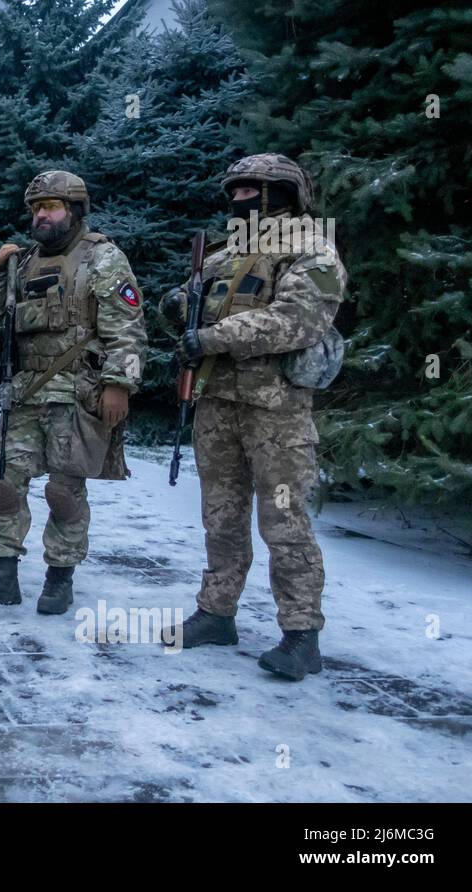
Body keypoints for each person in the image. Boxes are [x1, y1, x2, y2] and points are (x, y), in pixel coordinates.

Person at [161, 153, 346, 681]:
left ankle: (301, 635)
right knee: (221, 517)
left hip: (277, 412)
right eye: (234, 192)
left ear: (281, 194)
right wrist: (178, 305)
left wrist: (212, 337)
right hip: (217, 403)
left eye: (250, 192)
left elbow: (297, 322)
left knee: (284, 523)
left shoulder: (313, 250)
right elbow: (189, 304)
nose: (238, 200)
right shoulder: (224, 255)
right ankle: (217, 612)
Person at [0, 171, 146, 612]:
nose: (42, 215)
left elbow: (129, 330)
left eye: (52, 207)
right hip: (25, 392)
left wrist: (119, 384)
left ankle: (60, 577)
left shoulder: (104, 258)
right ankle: (2, 573)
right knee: (4, 483)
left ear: (75, 210)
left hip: (77, 393)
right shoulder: (25, 261)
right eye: (37, 208)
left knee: (64, 491)